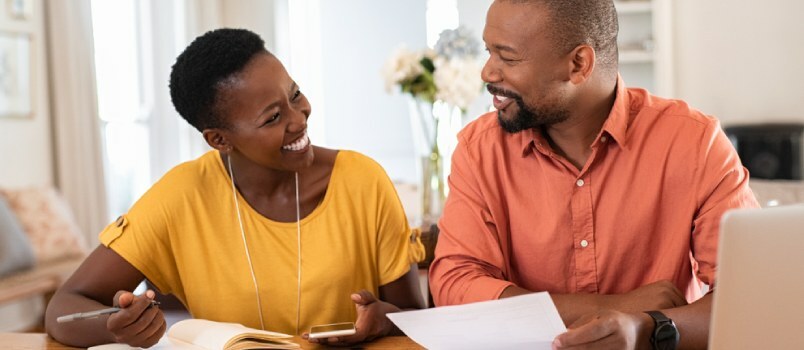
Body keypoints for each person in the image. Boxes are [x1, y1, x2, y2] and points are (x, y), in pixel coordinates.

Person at [45, 28, 424, 348]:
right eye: (273, 117)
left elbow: (414, 319)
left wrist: (382, 320)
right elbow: (63, 307)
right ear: (219, 140)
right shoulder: (181, 196)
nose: (299, 119)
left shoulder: (362, 180)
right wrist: (115, 327)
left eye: (294, 95)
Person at [429, 0, 759, 349]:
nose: (488, 72)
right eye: (488, 52)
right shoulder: (480, 149)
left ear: (578, 64)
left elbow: (752, 296)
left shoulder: (694, 143)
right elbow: (455, 285)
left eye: (507, 58)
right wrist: (615, 308)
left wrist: (646, 329)